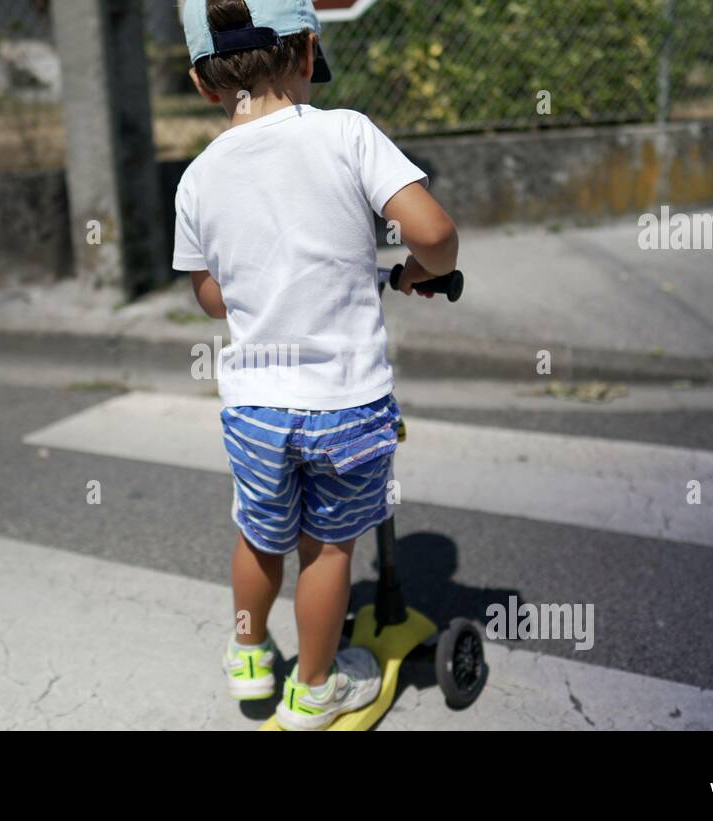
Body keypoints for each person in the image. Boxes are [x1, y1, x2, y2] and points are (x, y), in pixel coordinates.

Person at [172, 0, 459, 730]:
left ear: (205, 85)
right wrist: (429, 267)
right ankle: (315, 686)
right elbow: (433, 232)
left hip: (254, 408)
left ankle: (246, 656)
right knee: (328, 549)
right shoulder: (346, 133)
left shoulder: (197, 178)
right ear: (307, 52)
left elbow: (213, 300)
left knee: (259, 536)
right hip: (344, 403)